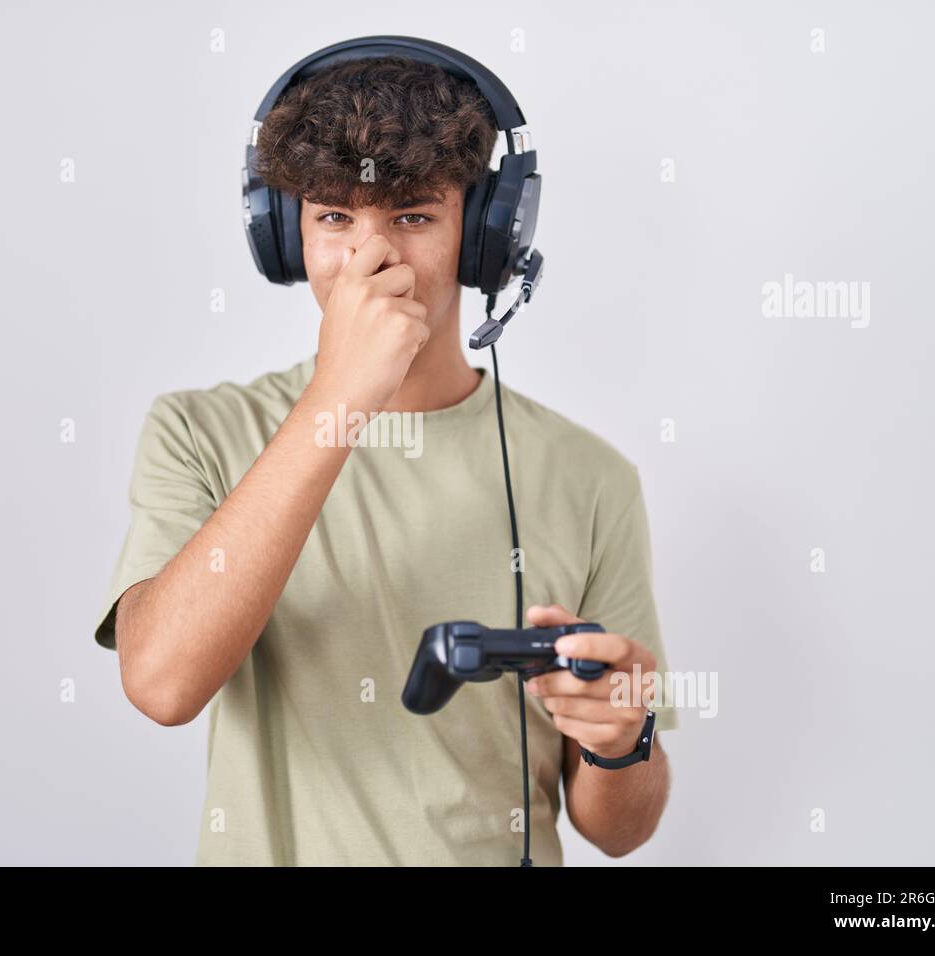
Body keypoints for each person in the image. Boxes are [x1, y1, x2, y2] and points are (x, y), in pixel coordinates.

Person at [93, 52, 679, 866]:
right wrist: (340, 398)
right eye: (334, 217)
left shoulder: (591, 477)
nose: (370, 261)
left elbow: (621, 828)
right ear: (284, 233)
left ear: (485, 238)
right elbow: (160, 686)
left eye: (411, 217)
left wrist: (621, 738)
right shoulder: (200, 432)